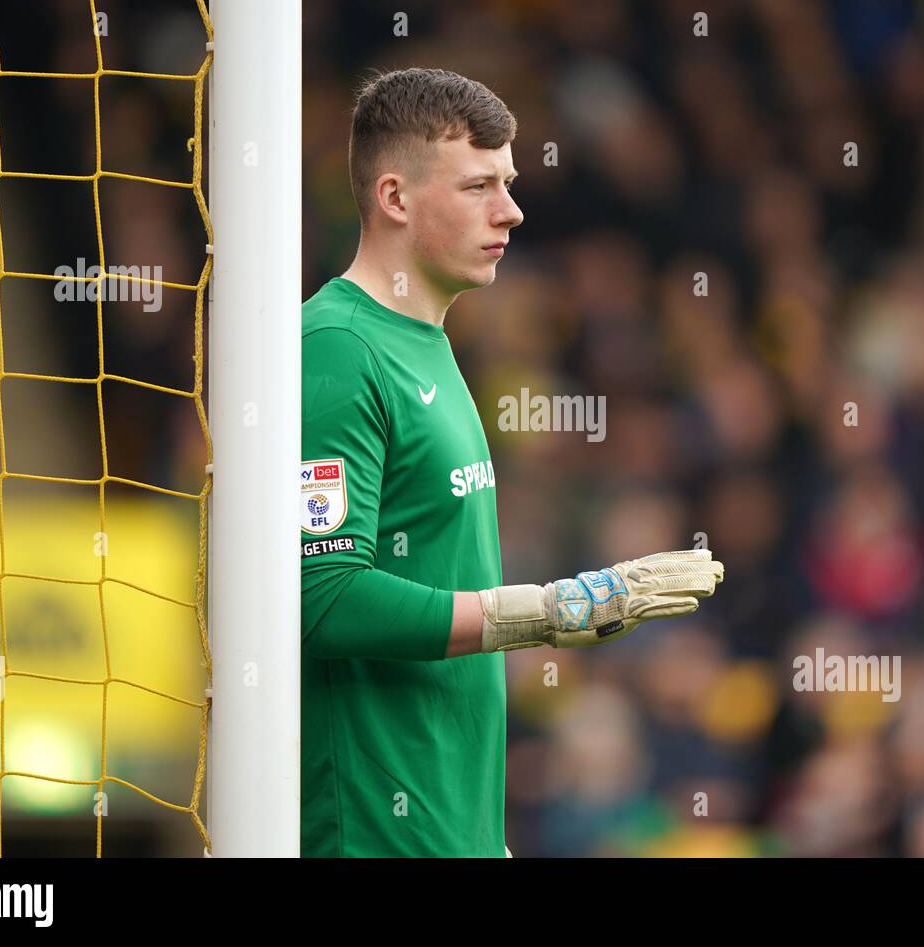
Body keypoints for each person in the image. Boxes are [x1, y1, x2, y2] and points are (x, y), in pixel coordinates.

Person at [300, 67, 725, 857]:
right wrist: (549, 610)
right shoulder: (336, 350)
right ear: (394, 198)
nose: (512, 209)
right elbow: (322, 595)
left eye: (510, 182)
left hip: (450, 831)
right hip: (373, 836)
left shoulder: (427, 344)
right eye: (478, 186)